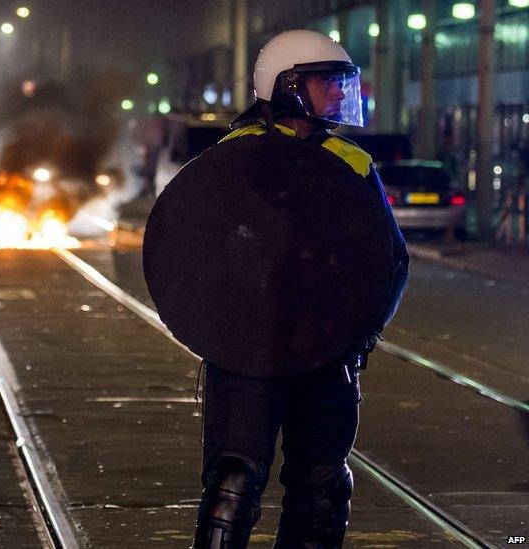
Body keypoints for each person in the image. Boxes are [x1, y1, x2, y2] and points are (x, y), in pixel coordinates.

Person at [192, 30, 410, 548]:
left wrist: (361, 334)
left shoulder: (351, 162)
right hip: (250, 351)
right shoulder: (236, 158)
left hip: (328, 350)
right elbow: (199, 253)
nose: (339, 94)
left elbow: (389, 259)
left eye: (342, 83)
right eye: (326, 82)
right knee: (234, 482)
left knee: (323, 488)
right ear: (288, 86)